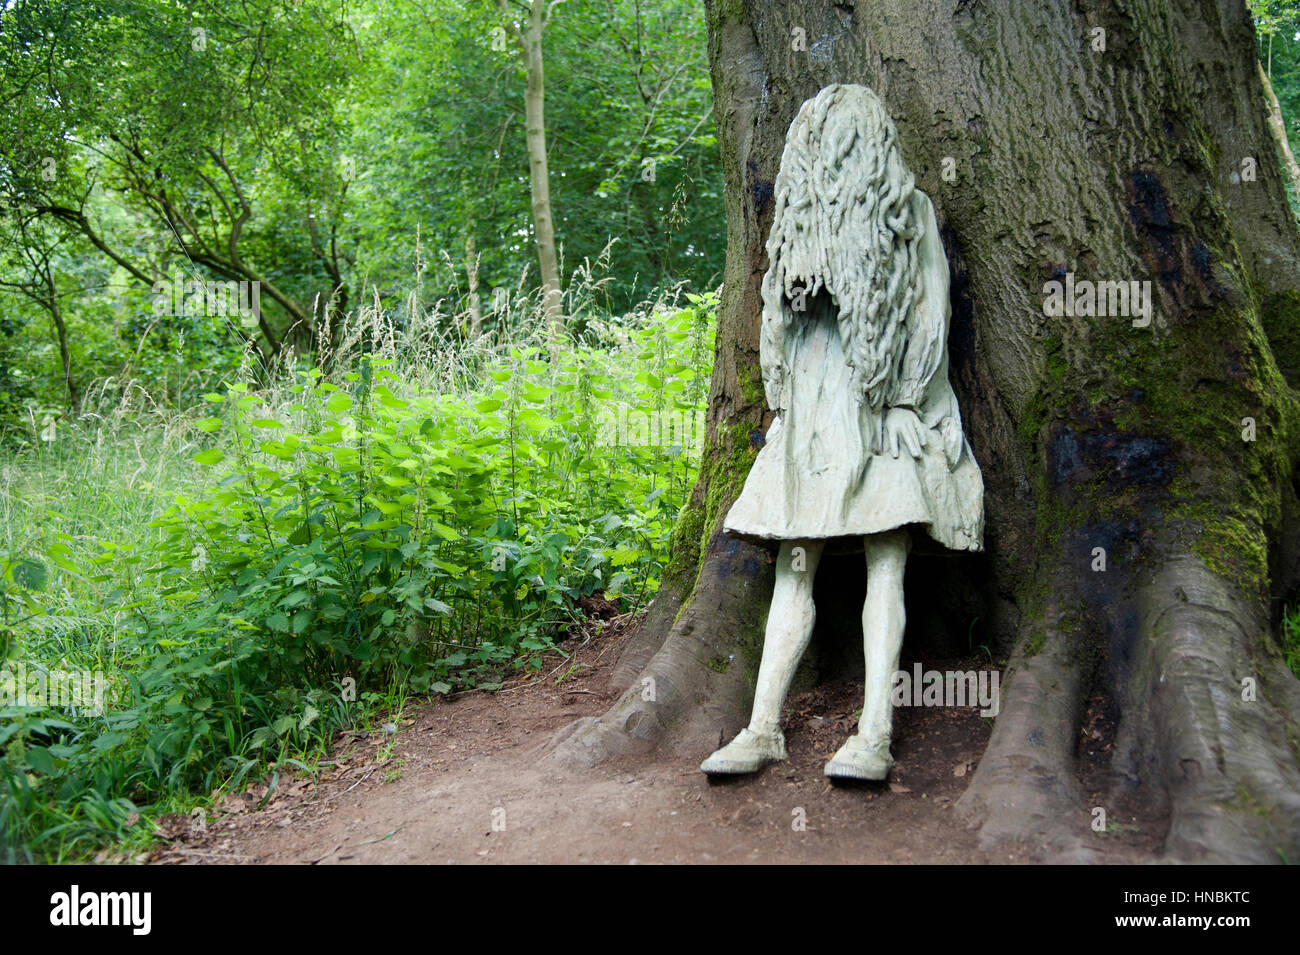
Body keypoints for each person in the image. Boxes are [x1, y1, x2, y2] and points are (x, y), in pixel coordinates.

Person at [700, 84, 984, 781]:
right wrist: (788, 395)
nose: (825, 159)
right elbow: (775, 320)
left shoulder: (908, 214)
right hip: (816, 419)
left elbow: (929, 315)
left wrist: (902, 401)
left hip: (884, 411)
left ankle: (874, 733)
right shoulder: (799, 227)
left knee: (886, 562)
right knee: (797, 567)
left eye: (836, 146)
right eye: (816, 146)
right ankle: (763, 724)